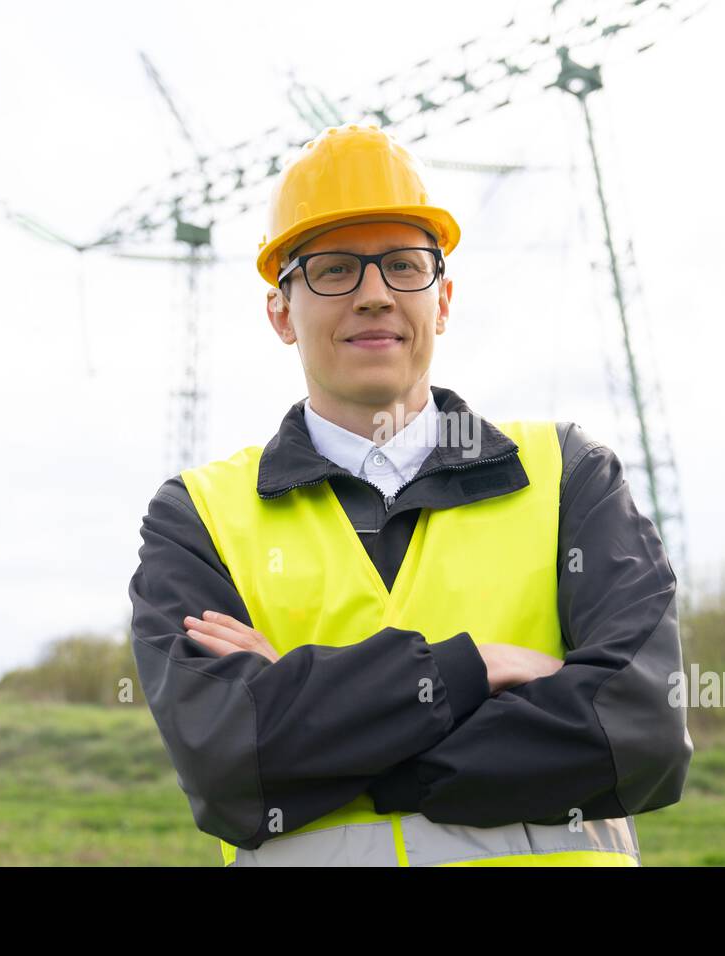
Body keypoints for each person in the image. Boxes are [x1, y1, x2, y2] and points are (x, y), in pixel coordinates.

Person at [128, 123, 692, 867]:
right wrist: (472, 670)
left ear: (445, 298)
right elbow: (230, 763)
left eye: (403, 266)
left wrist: (318, 727)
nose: (372, 296)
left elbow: (640, 731)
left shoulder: (570, 474)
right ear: (279, 312)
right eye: (333, 270)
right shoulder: (197, 515)